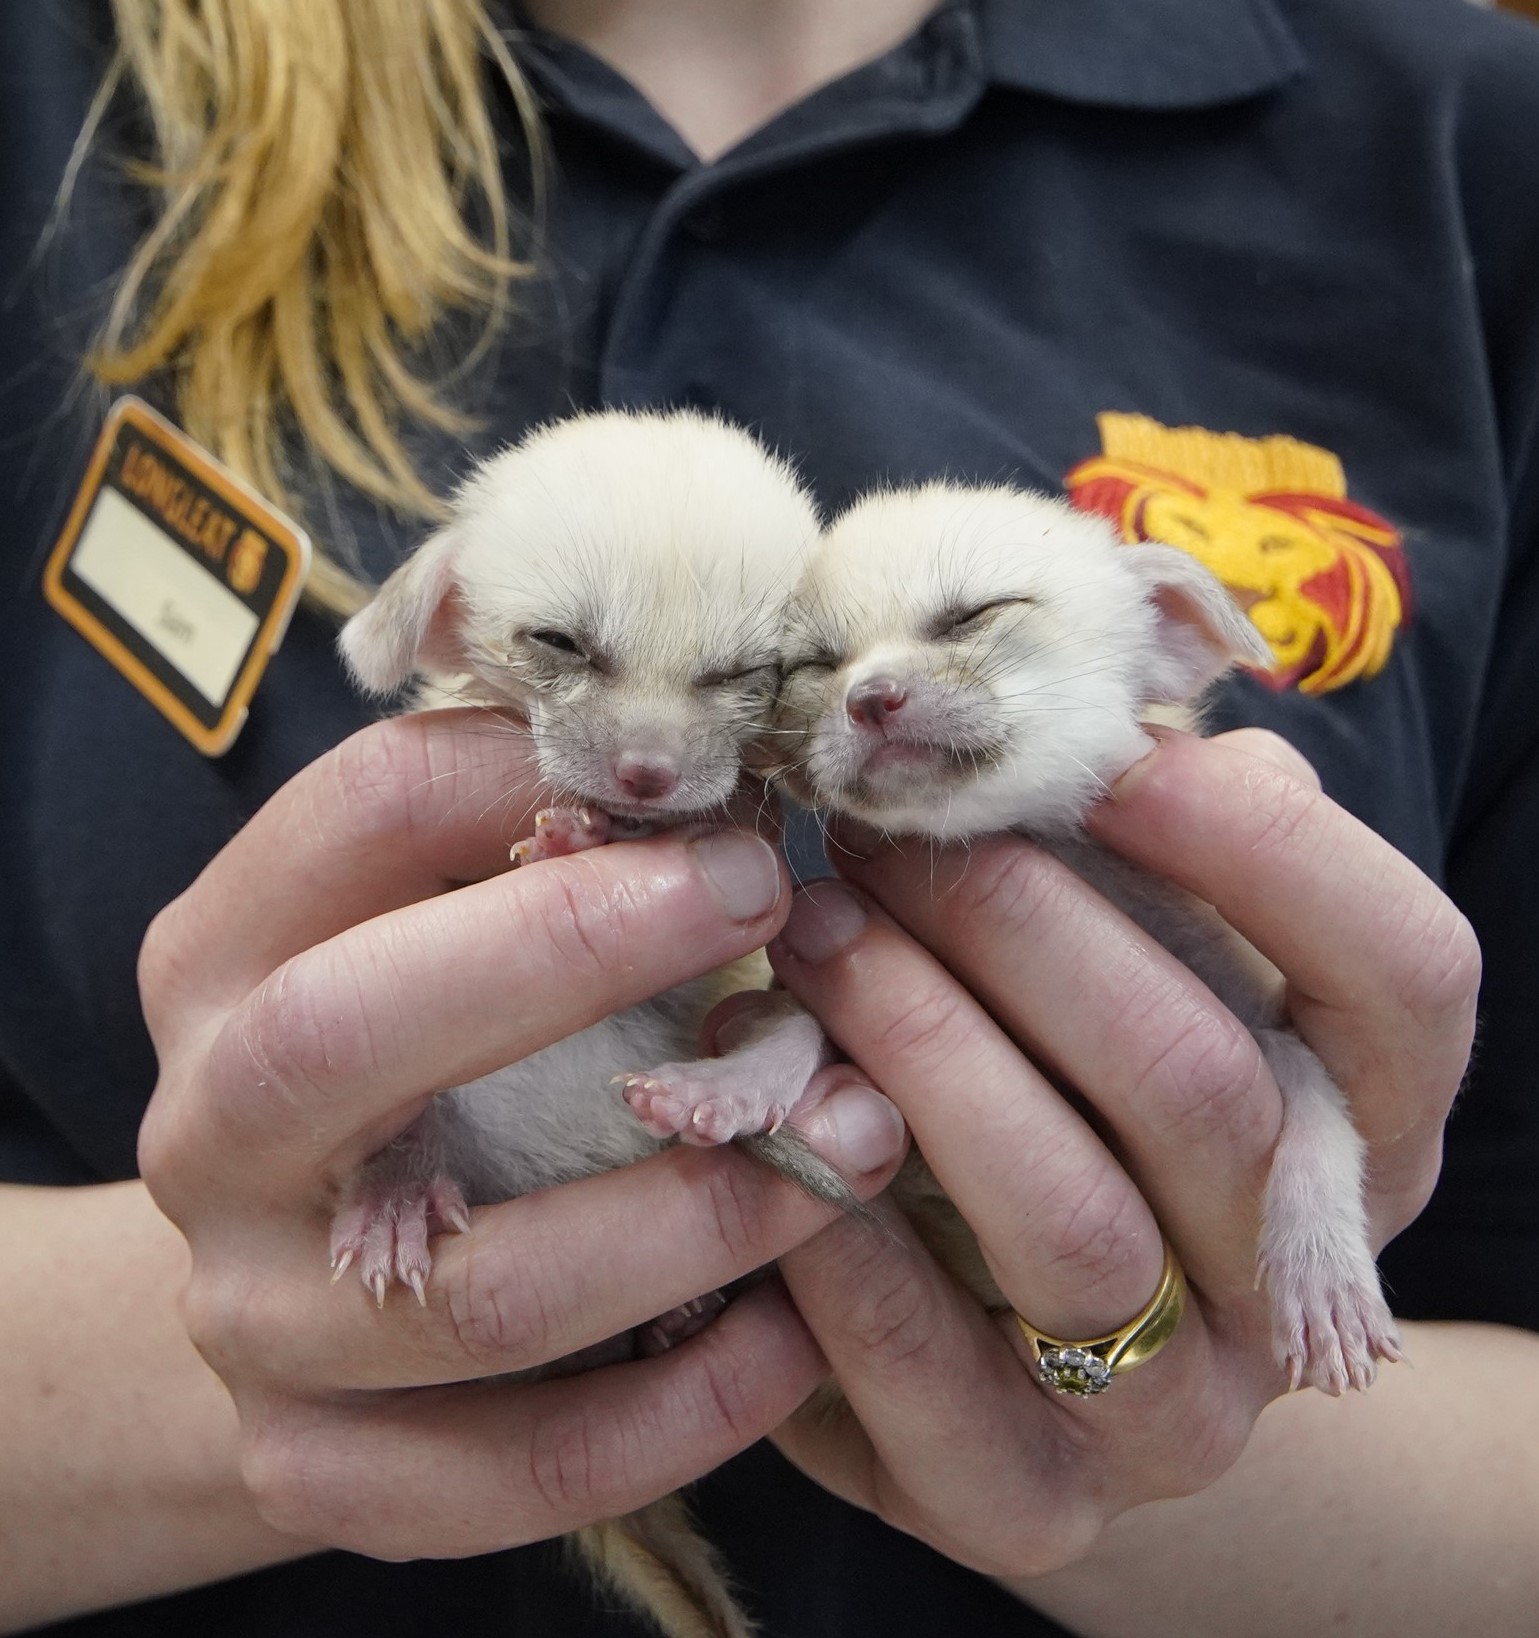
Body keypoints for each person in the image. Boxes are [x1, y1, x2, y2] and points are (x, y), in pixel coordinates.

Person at [1, 1, 1535, 1634]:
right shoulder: (55, 88)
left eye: (754, 678)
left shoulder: (1465, 147)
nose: (666, 762)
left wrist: (1126, 1396)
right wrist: (228, 1342)